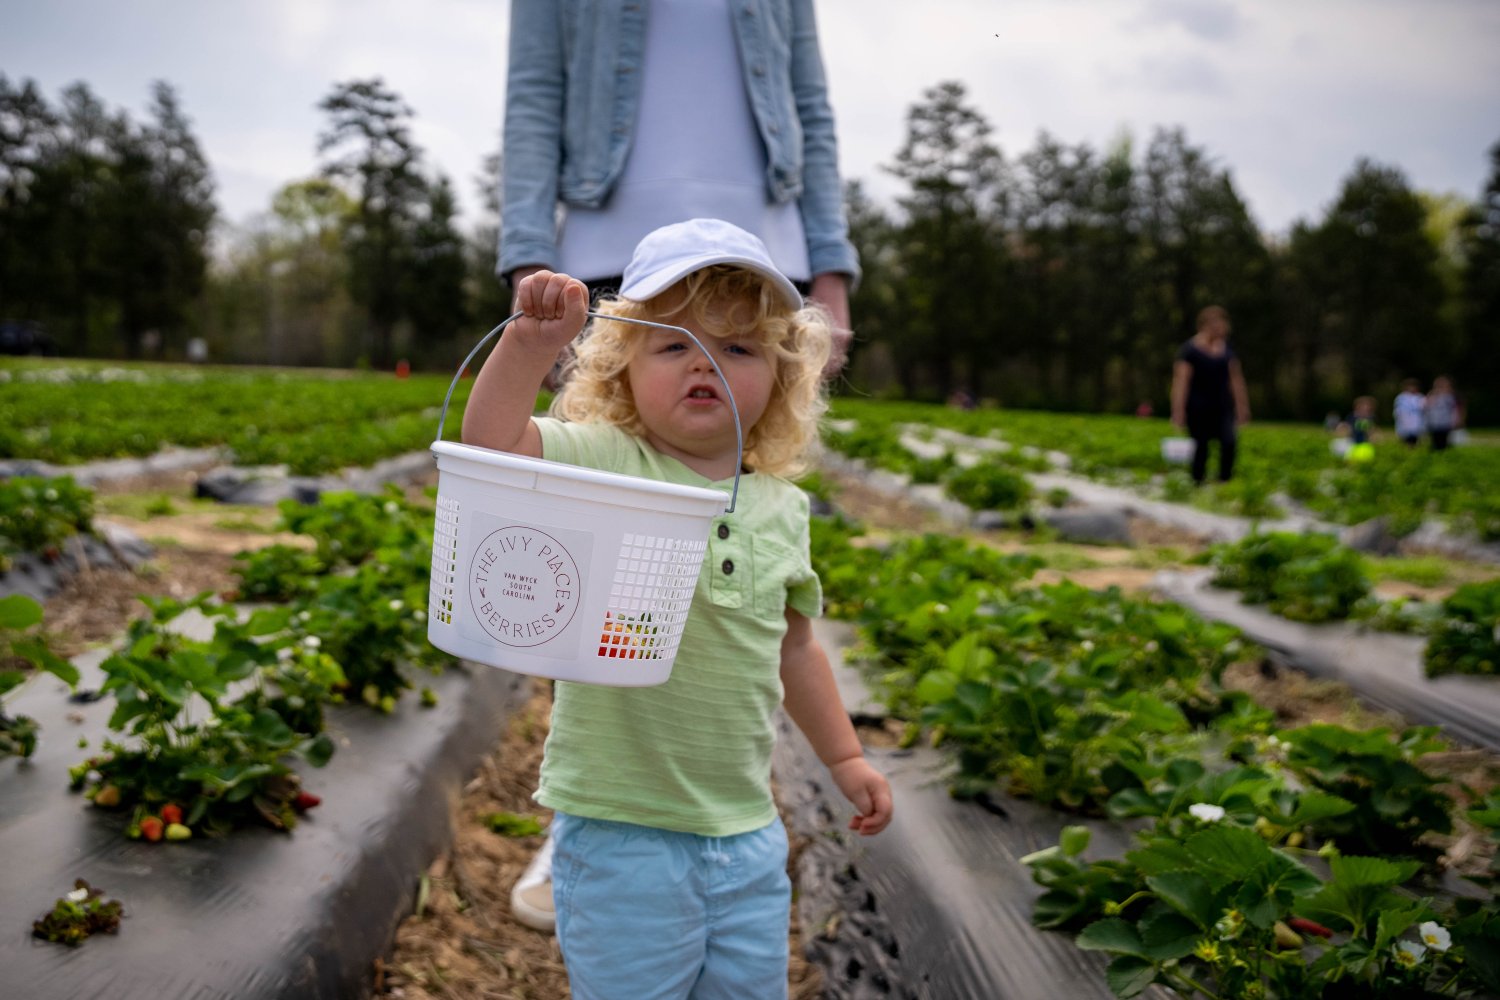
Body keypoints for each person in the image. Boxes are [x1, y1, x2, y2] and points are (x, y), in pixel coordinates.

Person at [462, 218, 893, 997]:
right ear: (623, 368)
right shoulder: (608, 460)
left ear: (781, 376)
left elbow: (794, 649)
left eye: (738, 348)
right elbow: (493, 449)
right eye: (674, 345)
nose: (706, 364)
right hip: (623, 830)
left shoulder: (783, 507)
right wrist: (527, 346)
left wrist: (845, 758)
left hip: (747, 832)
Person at [500, 0, 860, 378]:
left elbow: (810, 106)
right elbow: (532, 101)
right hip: (600, 267)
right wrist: (529, 263)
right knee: (591, 436)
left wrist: (831, 268)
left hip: (772, 267)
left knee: (768, 438)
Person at [1170, 305, 1251, 484]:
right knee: (1201, 446)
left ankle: (1225, 481)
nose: (1221, 329)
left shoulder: (1226, 350)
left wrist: (1242, 406)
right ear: (1205, 325)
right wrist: (1178, 410)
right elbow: (1181, 381)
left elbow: (1236, 380)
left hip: (1222, 405)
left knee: (1229, 442)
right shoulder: (1189, 350)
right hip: (1198, 406)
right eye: (1217, 325)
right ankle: (1197, 483)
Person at [1425, 376, 1463, 451]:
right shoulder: (1432, 395)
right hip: (1434, 422)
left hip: (1446, 422)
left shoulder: (1452, 396)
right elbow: (1426, 405)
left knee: (1445, 441)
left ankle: (1444, 455)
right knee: (1435, 441)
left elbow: (1457, 408)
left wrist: (1458, 419)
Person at [1393, 379, 1425, 447]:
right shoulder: (1401, 398)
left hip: (1416, 424)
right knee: (1405, 442)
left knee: (1415, 442)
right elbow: (1398, 412)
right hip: (1404, 424)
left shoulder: (1420, 397)